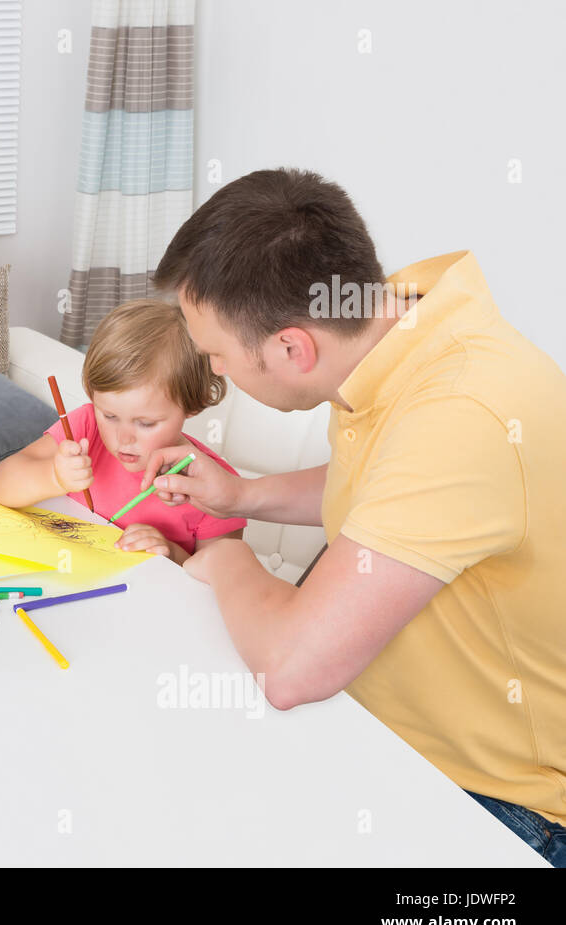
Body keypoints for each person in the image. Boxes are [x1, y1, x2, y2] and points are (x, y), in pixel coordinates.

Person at [139, 167, 566, 865]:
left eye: (215, 354)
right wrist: (241, 497)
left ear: (290, 349)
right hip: (392, 735)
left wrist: (225, 554)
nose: (213, 369)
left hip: (505, 805)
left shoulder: (462, 414)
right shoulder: (392, 324)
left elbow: (290, 669)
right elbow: (386, 489)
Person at [0, 299, 245, 563]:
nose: (123, 438)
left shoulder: (218, 487)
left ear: (193, 405)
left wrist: (171, 553)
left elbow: (223, 580)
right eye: (110, 415)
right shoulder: (86, 427)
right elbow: (1, 486)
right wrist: (54, 476)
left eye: (145, 423)